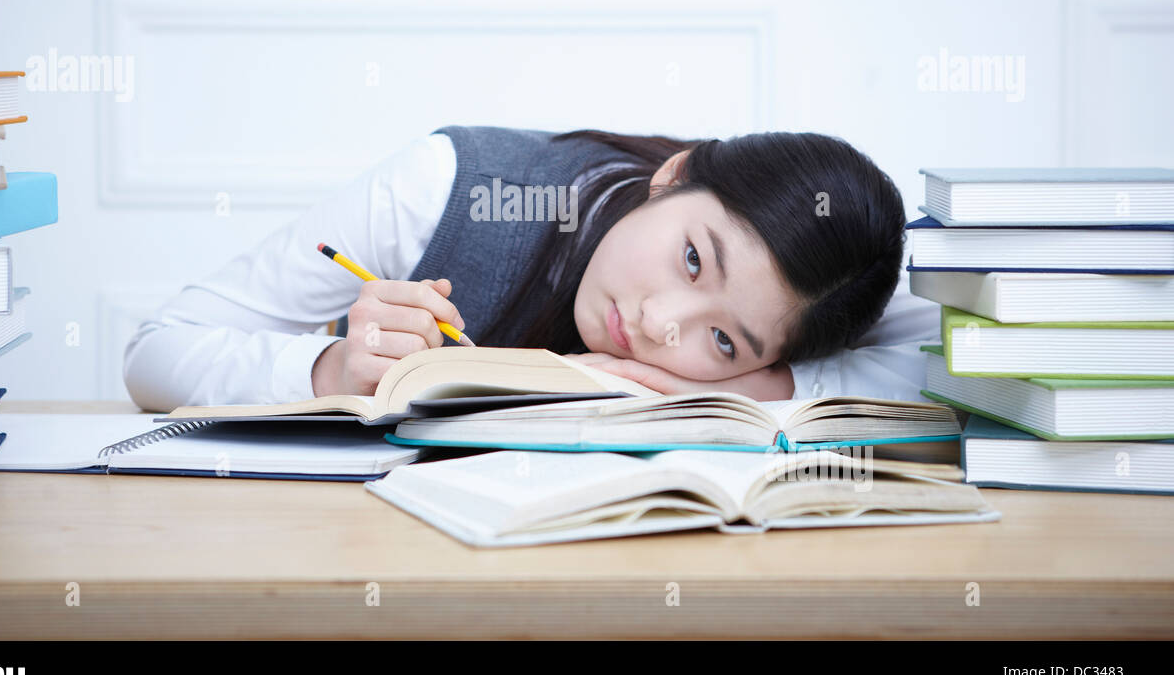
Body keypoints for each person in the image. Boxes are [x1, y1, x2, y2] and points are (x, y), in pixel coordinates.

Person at [122, 125, 939, 411]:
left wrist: (770, 386)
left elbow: (953, 353)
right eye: (693, 259)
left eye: (723, 340)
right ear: (676, 174)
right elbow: (156, 351)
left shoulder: (791, 313)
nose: (662, 324)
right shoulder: (445, 188)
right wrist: (329, 367)